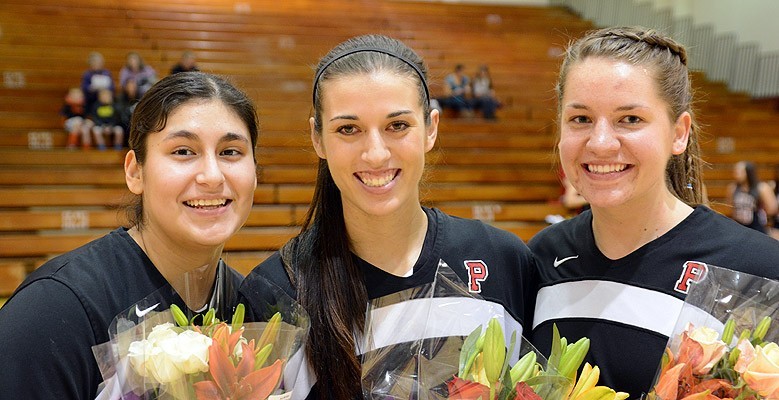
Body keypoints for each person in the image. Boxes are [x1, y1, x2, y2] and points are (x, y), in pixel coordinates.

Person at [239, 34, 536, 400]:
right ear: (318, 138)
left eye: (397, 125)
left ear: (431, 128)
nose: (376, 154)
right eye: (348, 129)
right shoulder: (274, 291)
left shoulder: (502, 258)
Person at [527, 26, 779, 397]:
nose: (600, 143)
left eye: (630, 119)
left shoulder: (757, 268)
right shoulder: (541, 256)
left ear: (679, 133)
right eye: (580, 119)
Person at [0, 71, 260, 399]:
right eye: (183, 151)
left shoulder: (256, 313)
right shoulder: (53, 311)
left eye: (230, 152)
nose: (212, 175)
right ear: (135, 172)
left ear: (254, 174)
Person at [727, 160, 777, 233]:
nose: (736, 174)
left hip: (756, 225)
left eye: (739, 172)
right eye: (735, 171)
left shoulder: (761, 187)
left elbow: (772, 209)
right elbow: (730, 207)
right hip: (739, 225)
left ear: (748, 172)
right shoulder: (733, 188)